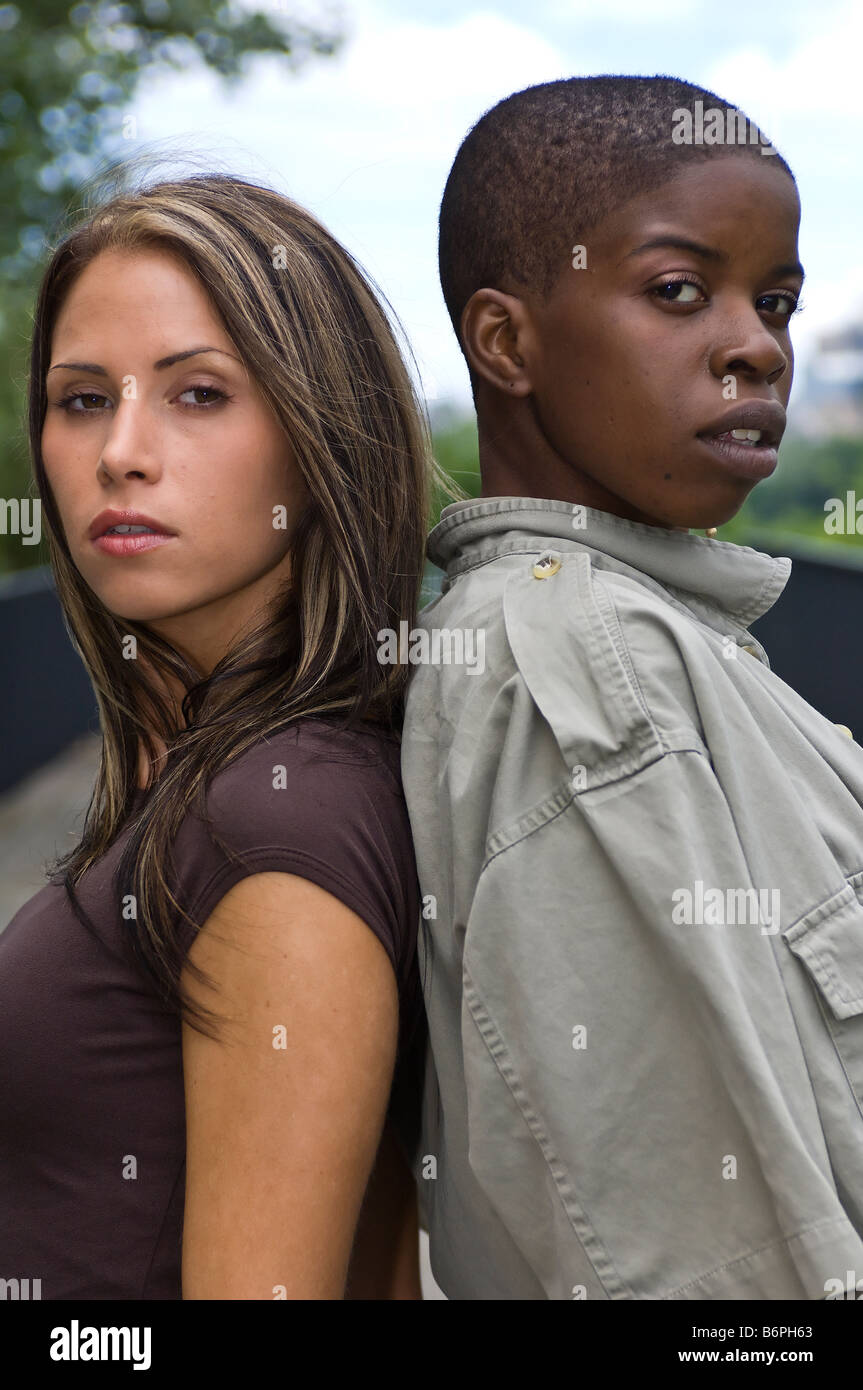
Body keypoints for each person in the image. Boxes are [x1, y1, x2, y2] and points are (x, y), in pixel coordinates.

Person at [399, 75, 863, 1300]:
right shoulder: (584, 674)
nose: (755, 343)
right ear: (506, 342)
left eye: (774, 300)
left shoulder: (657, 641)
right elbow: (706, 1277)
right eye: (676, 290)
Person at [0, 169, 451, 1299]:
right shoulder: (222, 774)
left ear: (318, 433)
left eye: (198, 394)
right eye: (82, 398)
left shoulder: (274, 822)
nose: (120, 453)